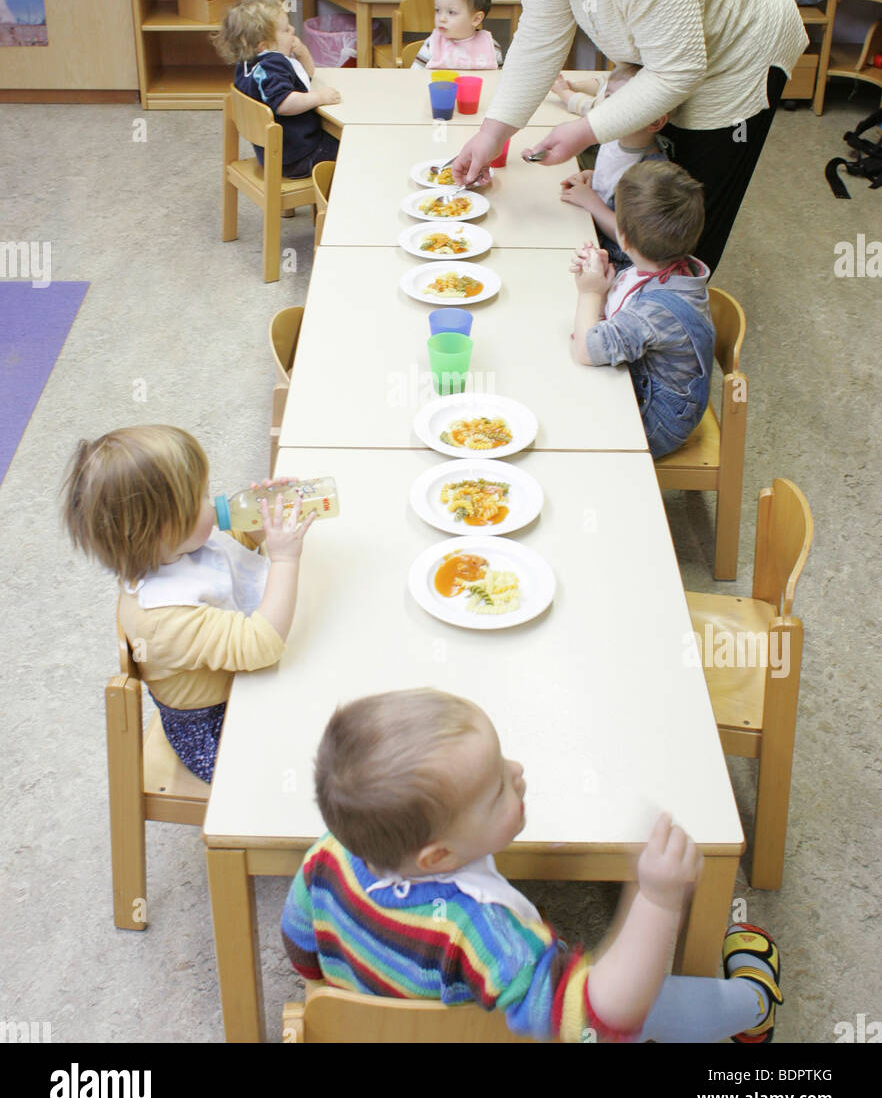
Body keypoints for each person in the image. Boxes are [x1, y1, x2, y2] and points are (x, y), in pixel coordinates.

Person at [281, 689, 783, 1042]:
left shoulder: (327, 855)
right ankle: (753, 1004)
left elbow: (301, 947)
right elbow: (596, 1020)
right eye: (498, 787)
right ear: (438, 857)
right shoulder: (485, 937)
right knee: (654, 1004)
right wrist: (657, 899)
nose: (517, 772)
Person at [451, 0, 809, 272]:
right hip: (668, 52)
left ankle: (673, 311)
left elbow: (677, 73)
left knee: (681, 217)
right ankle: (630, 293)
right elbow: (540, 35)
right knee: (644, 173)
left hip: (736, 59)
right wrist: (492, 134)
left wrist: (586, 130)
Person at [62, 425, 315, 782]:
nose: (212, 505)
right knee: (311, 762)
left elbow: (232, 550)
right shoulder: (165, 617)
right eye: (200, 498)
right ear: (164, 529)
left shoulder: (175, 548)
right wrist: (286, 560)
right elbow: (263, 645)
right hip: (219, 728)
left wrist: (263, 520)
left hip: (245, 688)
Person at [570, 159, 714, 460]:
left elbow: (585, 350)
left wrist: (590, 292)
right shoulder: (665, 264)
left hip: (657, 422)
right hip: (646, 389)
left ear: (622, 237)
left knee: (570, 423)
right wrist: (606, 286)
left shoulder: (654, 311)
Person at [212, 0, 341, 178]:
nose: (293, 30)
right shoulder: (272, 66)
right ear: (264, 45)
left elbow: (308, 75)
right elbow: (284, 103)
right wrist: (319, 98)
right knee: (348, 146)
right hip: (298, 157)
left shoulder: (247, 65)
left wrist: (302, 52)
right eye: (286, 30)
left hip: (275, 155)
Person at [557, 60, 669, 272]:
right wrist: (593, 177)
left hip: (620, 269)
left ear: (654, 122)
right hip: (588, 238)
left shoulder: (653, 176)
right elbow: (613, 175)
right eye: (608, 99)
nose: (609, 110)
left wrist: (592, 203)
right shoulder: (613, 140)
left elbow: (635, 241)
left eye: (621, 105)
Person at [412, 0, 504, 70]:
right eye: (438, 10)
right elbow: (415, 78)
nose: (441, 19)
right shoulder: (432, 45)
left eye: (451, 12)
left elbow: (498, 81)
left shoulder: (491, 47)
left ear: (476, 19)